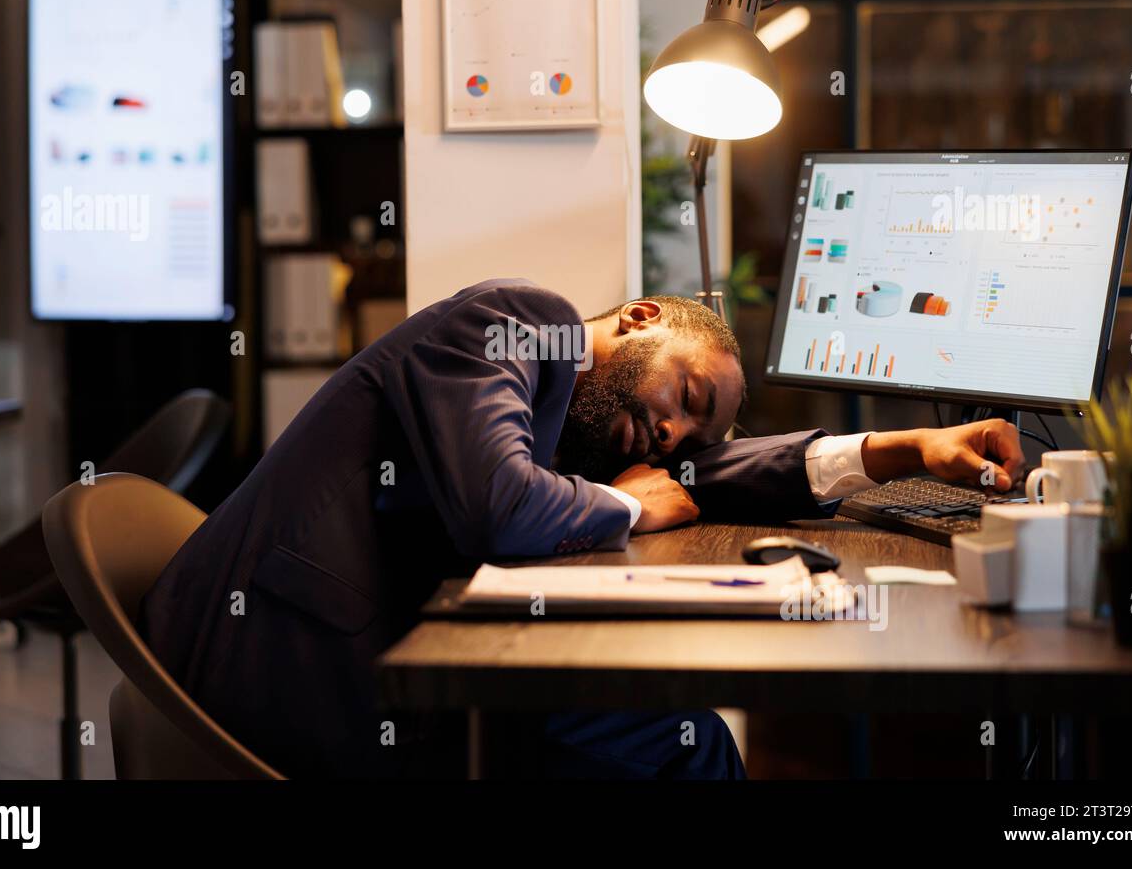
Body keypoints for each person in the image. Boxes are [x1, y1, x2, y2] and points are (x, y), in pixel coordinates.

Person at [140, 279, 1025, 778]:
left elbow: (698, 474)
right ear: (641, 320)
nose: (678, 433)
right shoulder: (523, 325)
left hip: (345, 652)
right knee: (685, 746)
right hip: (275, 666)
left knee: (667, 735)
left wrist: (899, 449)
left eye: (693, 429)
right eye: (686, 396)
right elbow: (502, 503)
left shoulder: (584, 412)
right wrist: (634, 505)